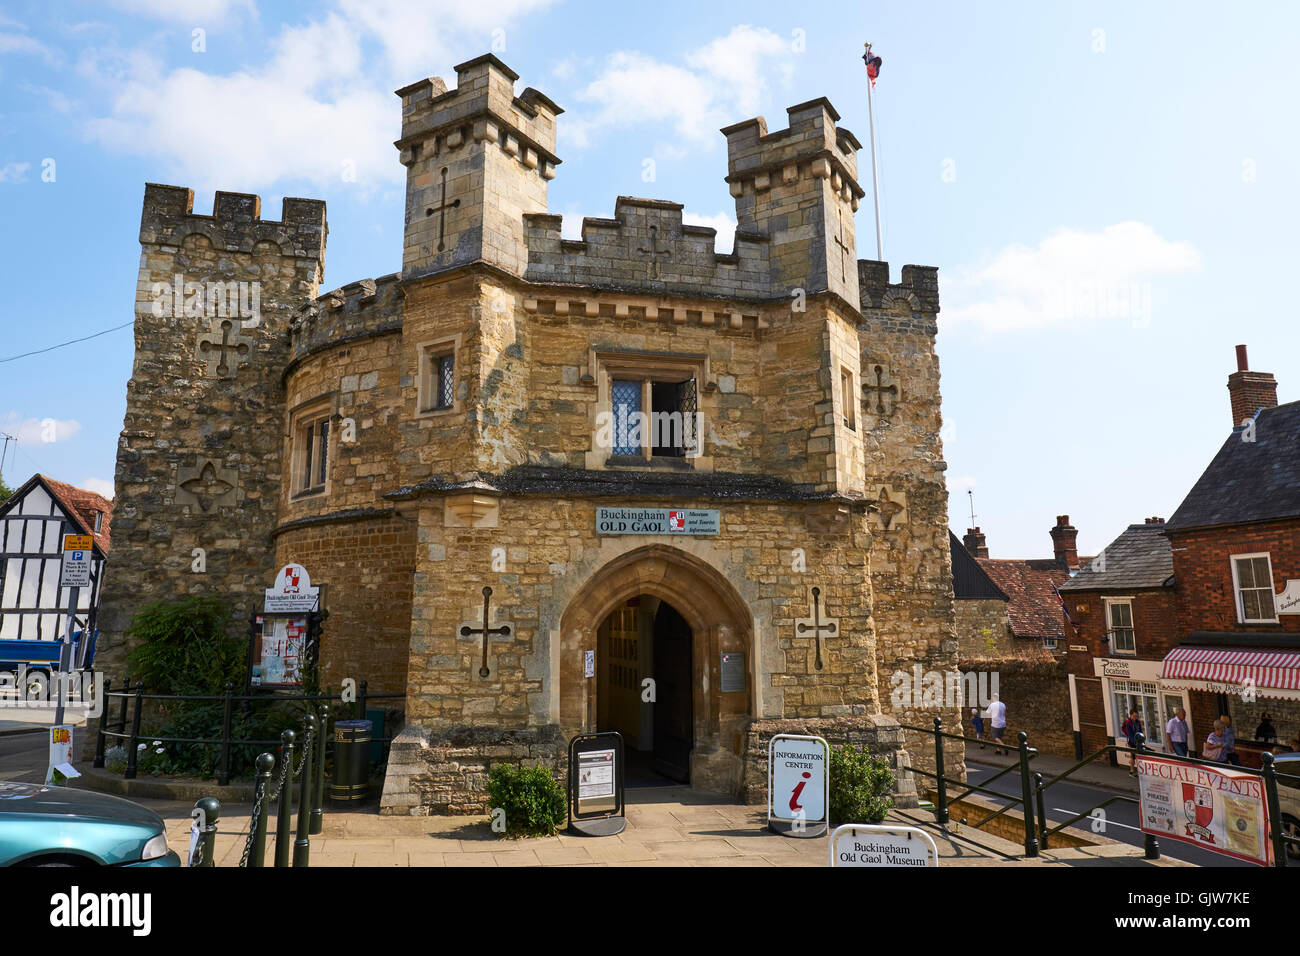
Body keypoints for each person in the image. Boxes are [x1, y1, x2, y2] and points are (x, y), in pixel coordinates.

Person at [1121, 708, 1144, 776]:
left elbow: (1140, 731)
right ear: (1130, 715)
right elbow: (1130, 734)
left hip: (1138, 741)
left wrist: (1142, 740)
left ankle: (1138, 771)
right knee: (1132, 756)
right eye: (1134, 716)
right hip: (1132, 741)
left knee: (1138, 756)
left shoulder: (1138, 722)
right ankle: (1131, 771)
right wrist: (1135, 743)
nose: (1135, 718)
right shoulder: (1128, 723)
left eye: (1136, 716)